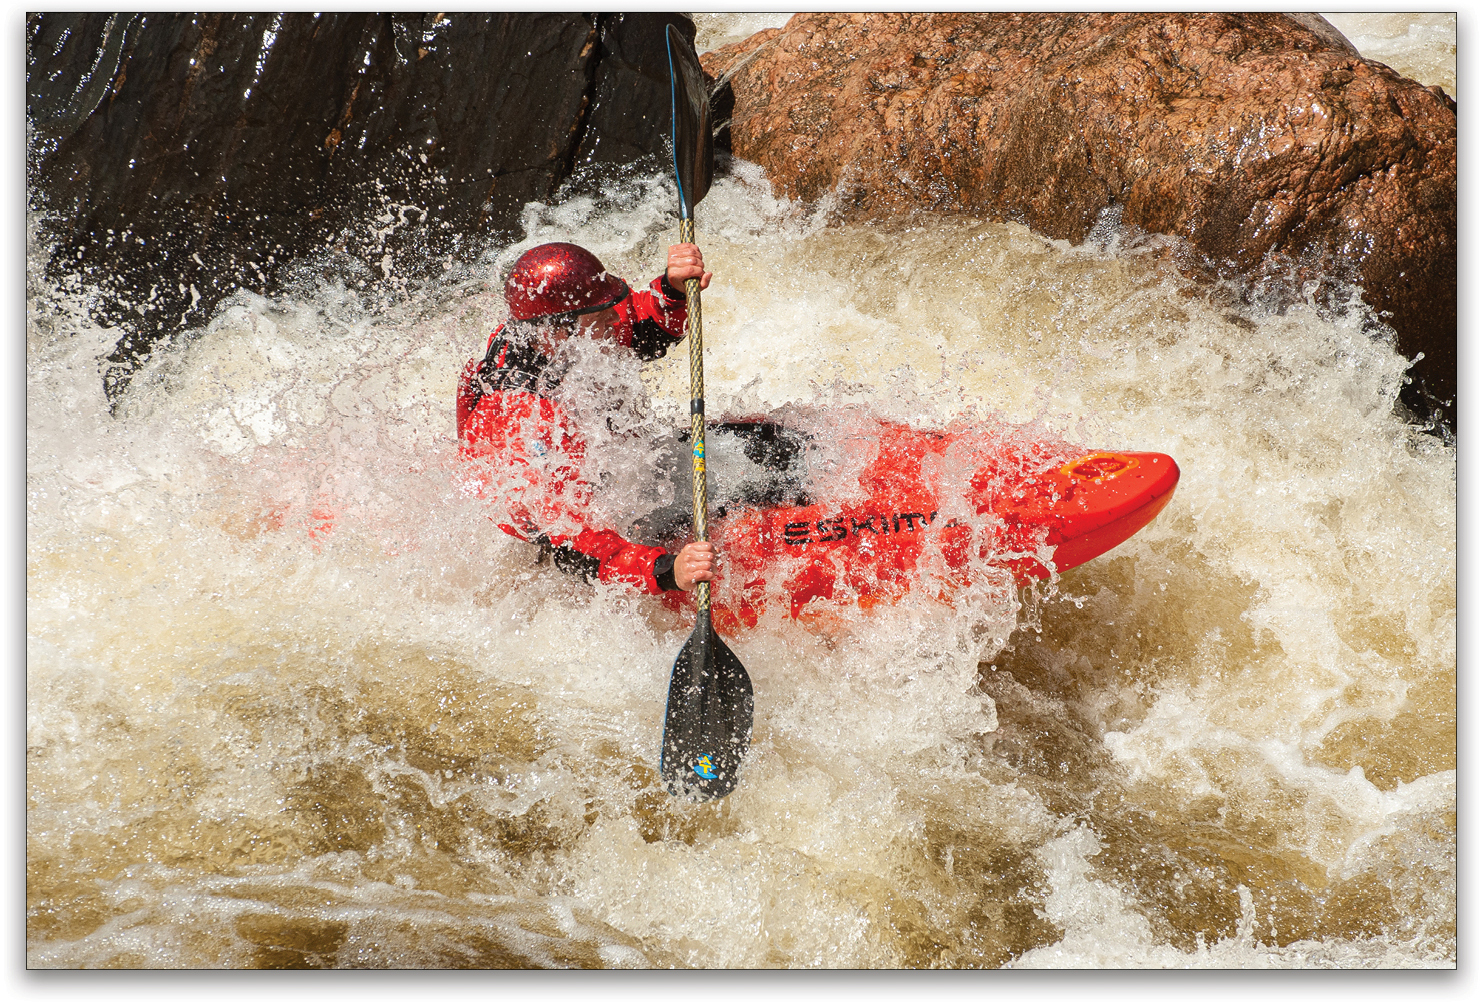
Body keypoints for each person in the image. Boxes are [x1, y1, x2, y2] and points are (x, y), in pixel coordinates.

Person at [457, 241, 717, 595]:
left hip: (590, 484)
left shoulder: (569, 329)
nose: (614, 317)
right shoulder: (519, 418)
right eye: (600, 316)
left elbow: (642, 328)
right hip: (548, 546)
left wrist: (672, 289)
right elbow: (570, 542)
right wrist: (666, 571)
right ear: (554, 333)